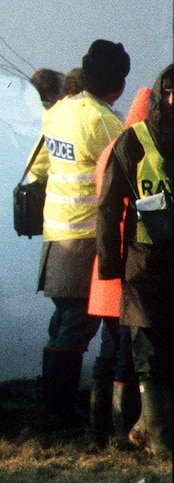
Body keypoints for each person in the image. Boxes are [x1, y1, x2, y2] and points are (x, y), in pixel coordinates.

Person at [24, 39, 130, 430]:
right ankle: (60, 412)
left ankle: (56, 407)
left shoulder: (59, 111)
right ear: (115, 85)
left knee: (64, 321)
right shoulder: (104, 121)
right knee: (77, 324)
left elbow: (39, 167)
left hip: (57, 233)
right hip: (86, 238)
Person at [97, 64, 173, 456]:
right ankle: (156, 432)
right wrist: (111, 265)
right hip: (147, 268)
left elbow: (109, 207)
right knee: (152, 354)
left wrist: (110, 265)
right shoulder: (133, 141)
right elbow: (109, 208)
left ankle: (156, 434)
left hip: (144, 265)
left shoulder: (132, 141)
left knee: (149, 355)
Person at [87, 88, 151, 447]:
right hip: (129, 263)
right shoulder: (140, 151)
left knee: (108, 350)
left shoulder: (110, 149)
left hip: (106, 266)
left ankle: (99, 431)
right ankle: (122, 430)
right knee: (128, 351)